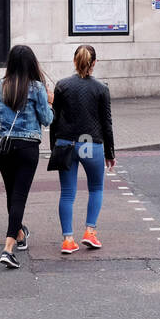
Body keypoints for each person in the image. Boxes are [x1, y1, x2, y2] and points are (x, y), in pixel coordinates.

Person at [0, 45, 53, 269]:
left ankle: (19, 233)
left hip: (5, 148)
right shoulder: (37, 88)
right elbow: (47, 119)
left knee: (13, 194)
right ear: (31, 63)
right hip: (28, 147)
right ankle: (8, 248)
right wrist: (50, 102)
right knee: (19, 196)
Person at [50, 45, 115, 254]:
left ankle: (68, 240)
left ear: (74, 61)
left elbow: (54, 120)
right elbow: (107, 123)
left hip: (66, 143)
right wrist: (110, 153)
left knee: (67, 193)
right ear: (94, 63)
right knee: (95, 188)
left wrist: (54, 147)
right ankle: (90, 232)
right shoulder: (101, 88)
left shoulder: (62, 86)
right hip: (90, 144)